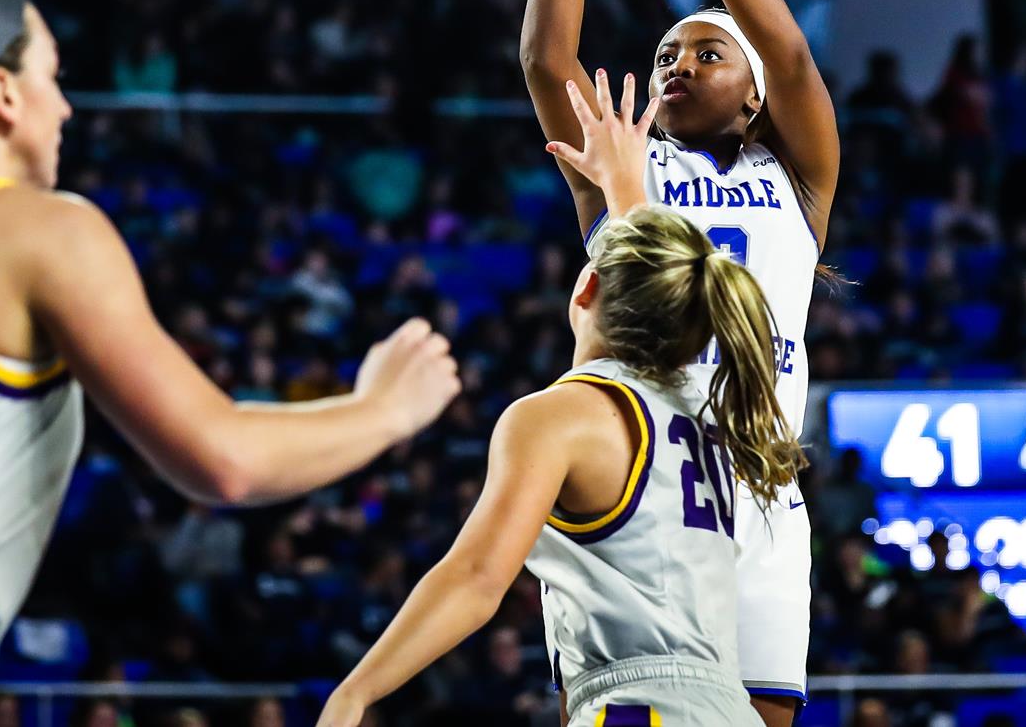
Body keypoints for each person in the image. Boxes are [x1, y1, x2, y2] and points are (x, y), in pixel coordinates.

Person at [0, 0, 462, 727]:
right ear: (3, 94)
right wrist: (386, 409)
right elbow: (225, 458)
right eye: (52, 75)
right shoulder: (35, 227)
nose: (67, 106)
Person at [317, 82, 801, 727]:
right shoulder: (708, 409)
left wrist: (355, 693)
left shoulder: (562, 416)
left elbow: (477, 578)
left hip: (642, 709)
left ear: (584, 288)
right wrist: (623, 184)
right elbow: (658, 275)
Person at [519, 0, 838, 725]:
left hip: (760, 486)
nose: (678, 64)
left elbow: (791, 54)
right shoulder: (623, 158)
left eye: (708, 52)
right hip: (643, 477)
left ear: (754, 99)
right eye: (666, 54)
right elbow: (545, 60)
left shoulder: (798, 176)